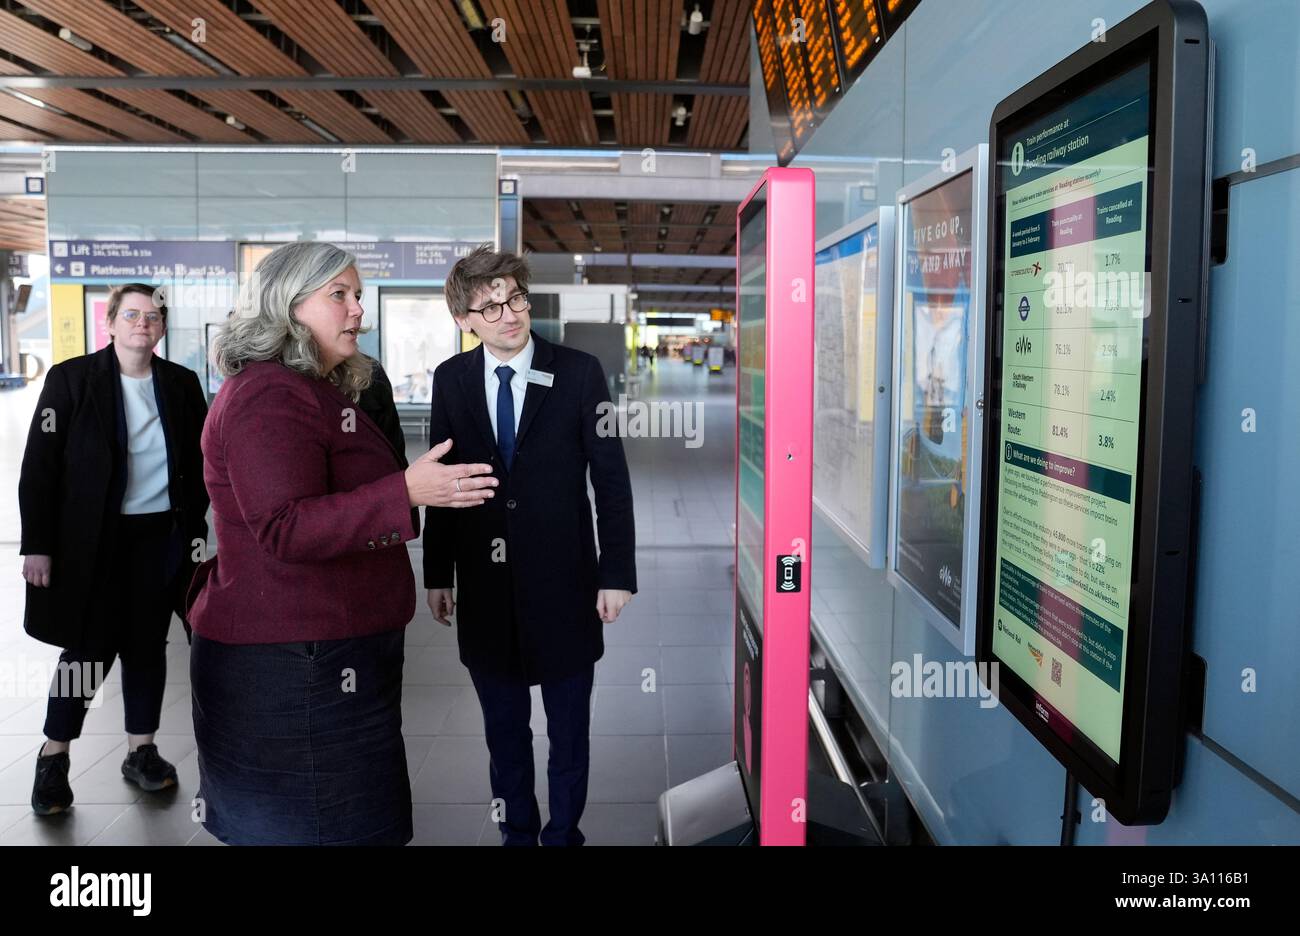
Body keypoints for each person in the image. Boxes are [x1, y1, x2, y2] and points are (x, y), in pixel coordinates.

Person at [187, 242, 497, 845]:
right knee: (322, 827)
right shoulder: (270, 394)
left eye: (358, 295)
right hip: (295, 664)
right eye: (340, 295)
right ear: (286, 306)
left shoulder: (306, 388)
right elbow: (284, 527)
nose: (359, 310)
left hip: (319, 652)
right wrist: (405, 490)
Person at [423, 244, 637, 846]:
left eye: (515, 298)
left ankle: (563, 833)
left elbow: (611, 480)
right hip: (486, 590)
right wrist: (438, 573)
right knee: (505, 732)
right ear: (464, 319)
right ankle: (518, 833)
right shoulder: (452, 380)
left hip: (565, 584)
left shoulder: (579, 372)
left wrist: (615, 571)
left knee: (569, 733)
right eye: (489, 308)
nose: (509, 314)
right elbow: (444, 482)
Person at [20, 283, 209, 816]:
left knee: (148, 648)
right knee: (86, 651)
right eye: (131, 314)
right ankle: (53, 758)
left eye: (152, 316)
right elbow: (39, 468)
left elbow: (200, 464)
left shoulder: (180, 383)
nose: (142, 324)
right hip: (91, 545)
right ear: (110, 323)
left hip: (161, 540)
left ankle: (140, 751)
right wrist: (37, 545)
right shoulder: (72, 380)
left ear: (163, 326)